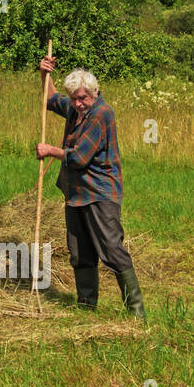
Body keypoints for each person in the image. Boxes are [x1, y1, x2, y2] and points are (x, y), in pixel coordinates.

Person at [36, 55, 146, 319]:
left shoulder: (101, 114)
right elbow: (51, 100)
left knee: (111, 249)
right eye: (74, 98)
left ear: (94, 93)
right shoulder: (75, 108)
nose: (78, 103)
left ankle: (136, 312)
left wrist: (51, 150)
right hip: (76, 194)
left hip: (99, 193)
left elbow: (79, 157)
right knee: (80, 251)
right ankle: (86, 306)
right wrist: (44, 74)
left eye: (83, 98)